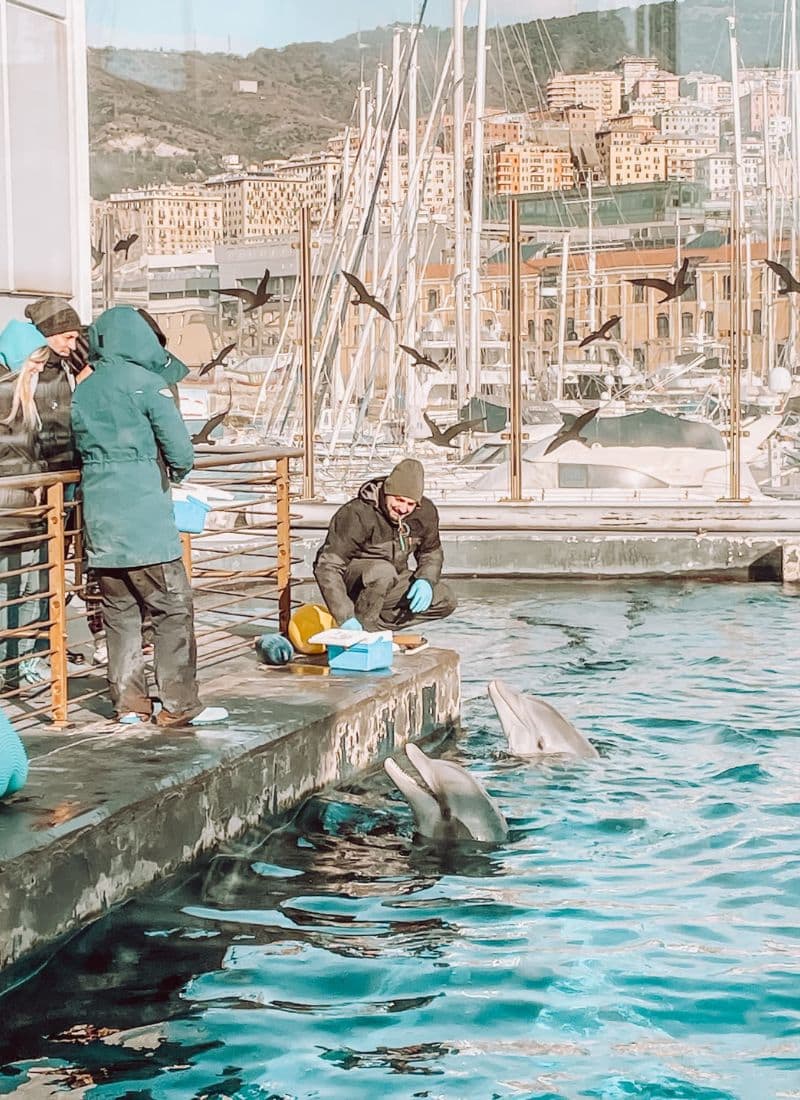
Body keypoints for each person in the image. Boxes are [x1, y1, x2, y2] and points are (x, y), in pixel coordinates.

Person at [71, 306, 226, 728]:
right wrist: (173, 472)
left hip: (101, 523)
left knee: (119, 617)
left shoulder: (84, 388)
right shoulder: (148, 385)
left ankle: (129, 706)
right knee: (173, 610)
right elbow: (180, 451)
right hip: (145, 521)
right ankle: (178, 704)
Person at [313, 457, 457, 633]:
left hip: (392, 579)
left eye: (410, 504)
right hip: (354, 581)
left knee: (445, 599)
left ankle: (374, 629)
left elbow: (431, 552)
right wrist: (344, 616)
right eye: (398, 500)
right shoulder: (357, 513)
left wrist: (426, 579)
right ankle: (357, 628)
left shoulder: (425, 513)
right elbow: (327, 566)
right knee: (382, 572)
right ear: (387, 492)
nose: (403, 508)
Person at [0, 321, 52, 690]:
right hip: (11, 510)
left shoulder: (23, 397)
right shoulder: (9, 396)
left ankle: (16, 667)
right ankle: (13, 667)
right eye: (34, 361)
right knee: (14, 592)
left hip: (25, 509)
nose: (38, 369)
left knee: (24, 591)